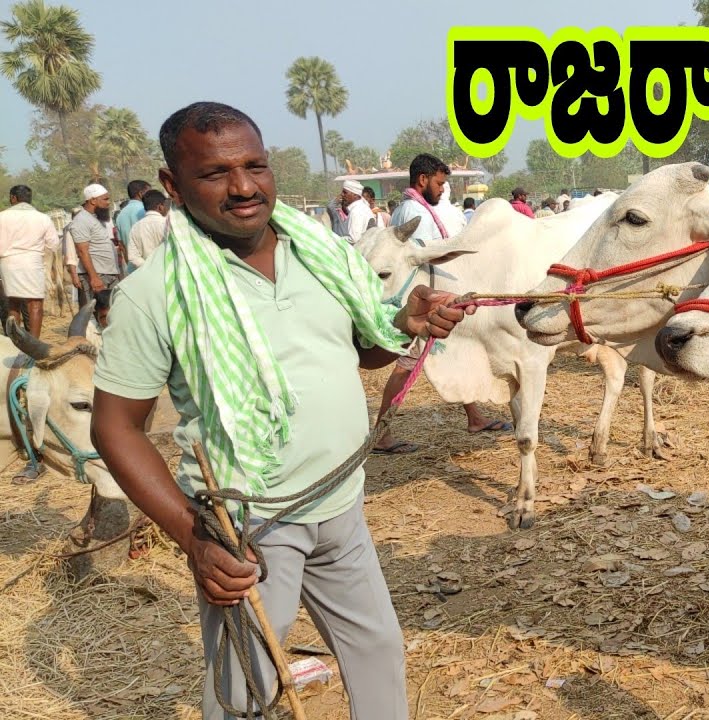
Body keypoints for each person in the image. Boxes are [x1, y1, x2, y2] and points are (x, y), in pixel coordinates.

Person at [90, 101, 475, 720]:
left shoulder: (323, 255)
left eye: (255, 166)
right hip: (251, 528)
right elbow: (114, 427)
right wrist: (194, 537)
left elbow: (360, 350)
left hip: (341, 505)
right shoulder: (153, 293)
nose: (243, 188)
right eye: (215, 174)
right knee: (247, 693)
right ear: (173, 186)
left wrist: (405, 322)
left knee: (378, 653)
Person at [380, 152, 508, 451]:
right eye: (438, 183)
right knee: (405, 367)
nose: (441, 189)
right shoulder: (414, 214)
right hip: (422, 304)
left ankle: (474, 417)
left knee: (452, 355)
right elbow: (425, 260)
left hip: (429, 300)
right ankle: (382, 434)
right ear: (422, 180)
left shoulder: (414, 209)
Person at [0, 185, 59, 338]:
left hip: (8, 263)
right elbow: (53, 244)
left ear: (13, 198)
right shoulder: (42, 218)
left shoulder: (2, 217)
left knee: (13, 303)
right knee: (35, 303)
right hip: (32, 263)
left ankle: (16, 341)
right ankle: (33, 344)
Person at [69, 183, 122, 302]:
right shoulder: (81, 220)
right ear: (93, 200)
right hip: (97, 275)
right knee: (97, 312)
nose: (108, 202)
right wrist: (94, 277)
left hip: (108, 274)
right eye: (105, 199)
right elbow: (83, 251)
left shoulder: (95, 219)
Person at [127, 189, 171, 267]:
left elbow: (133, 257)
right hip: (169, 270)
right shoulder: (167, 223)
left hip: (149, 274)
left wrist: (148, 268)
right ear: (160, 207)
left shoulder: (135, 228)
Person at [116, 179, 151, 272]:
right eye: (149, 193)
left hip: (133, 267)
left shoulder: (120, 215)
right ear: (141, 193)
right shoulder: (146, 210)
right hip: (149, 265)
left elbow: (122, 245)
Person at [341, 179, 375, 245]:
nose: (342, 195)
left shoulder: (357, 211)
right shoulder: (362, 207)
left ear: (355, 195)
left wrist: (336, 239)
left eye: (345, 192)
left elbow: (354, 239)